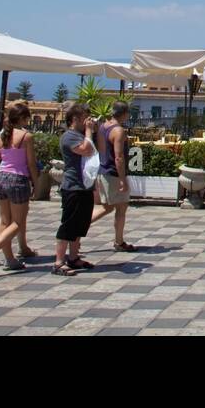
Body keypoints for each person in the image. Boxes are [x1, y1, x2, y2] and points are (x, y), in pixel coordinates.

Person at [0, 103, 37, 275]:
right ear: (22, 118)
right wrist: (35, 182)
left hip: (1, 179)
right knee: (17, 223)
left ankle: (10, 259)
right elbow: (31, 163)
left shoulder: (1, 137)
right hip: (18, 180)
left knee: (5, 222)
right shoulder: (26, 137)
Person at [53, 104, 98, 277]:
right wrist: (89, 132)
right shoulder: (69, 136)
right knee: (69, 224)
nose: (87, 121)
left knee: (80, 224)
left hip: (84, 186)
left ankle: (73, 257)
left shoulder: (82, 135)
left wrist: (93, 131)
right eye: (84, 118)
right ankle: (59, 262)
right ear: (75, 119)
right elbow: (86, 150)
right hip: (73, 186)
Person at [88, 101, 136, 251]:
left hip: (103, 171)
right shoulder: (118, 131)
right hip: (113, 174)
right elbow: (119, 157)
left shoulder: (103, 127)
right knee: (120, 208)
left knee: (108, 207)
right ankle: (118, 241)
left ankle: (77, 230)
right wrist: (122, 179)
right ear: (124, 114)